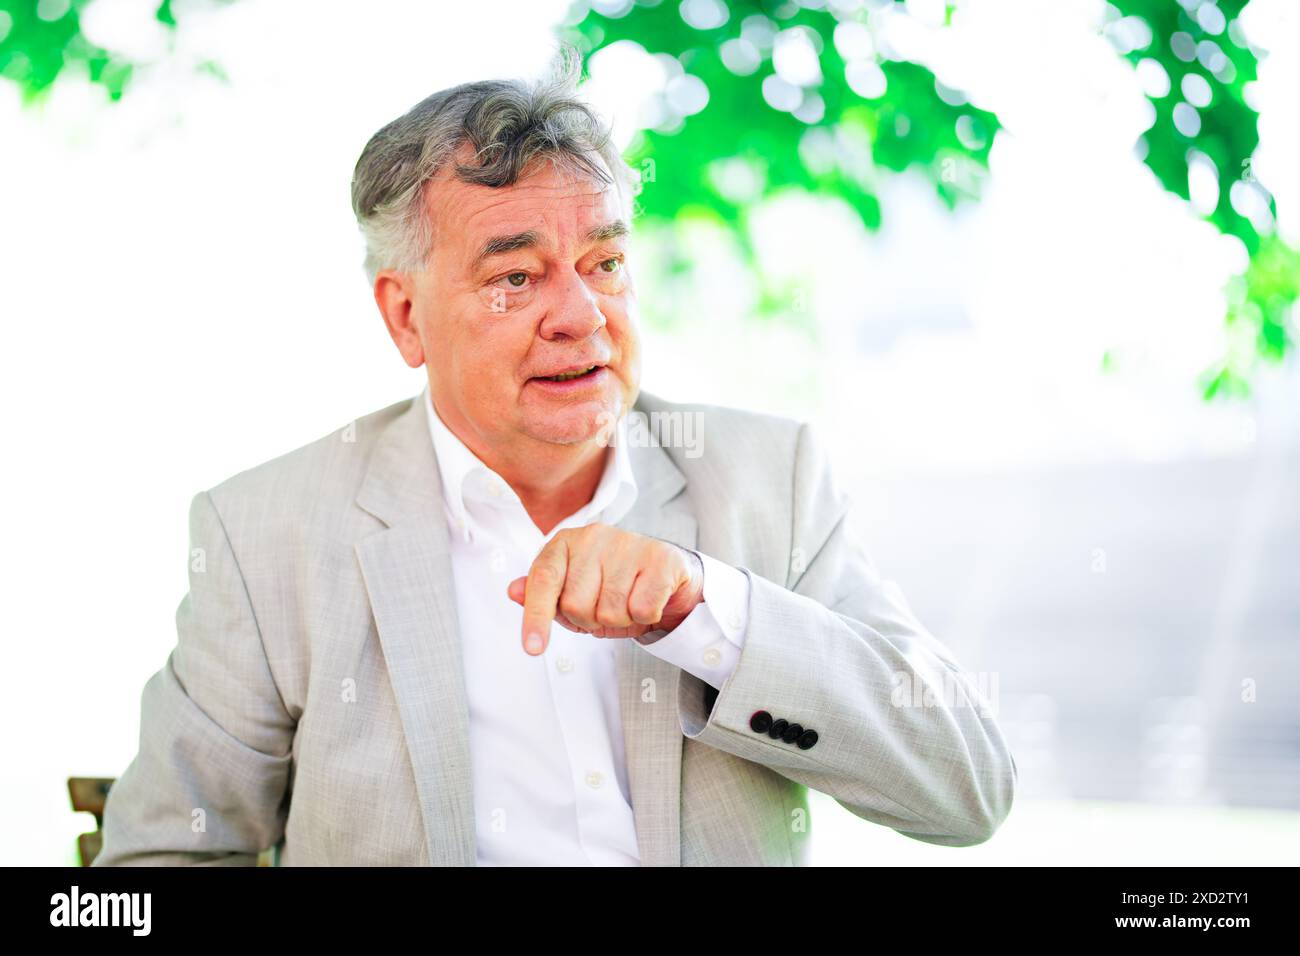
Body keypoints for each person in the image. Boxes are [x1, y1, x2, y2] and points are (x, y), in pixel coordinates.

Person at [96, 52, 1016, 866]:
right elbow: (159, 859)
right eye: (514, 277)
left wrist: (709, 611)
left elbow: (966, 788)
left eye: (606, 263)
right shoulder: (267, 535)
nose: (581, 314)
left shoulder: (769, 478)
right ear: (406, 316)